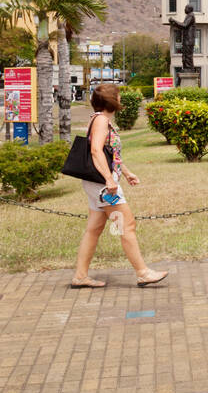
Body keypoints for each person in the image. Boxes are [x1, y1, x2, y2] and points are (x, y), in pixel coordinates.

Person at [71, 83, 168, 289]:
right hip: (103, 187)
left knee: (94, 228)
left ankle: (80, 276)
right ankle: (143, 272)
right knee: (126, 225)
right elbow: (97, 152)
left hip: (97, 186)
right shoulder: (101, 122)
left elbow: (110, 153)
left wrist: (126, 172)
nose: (121, 99)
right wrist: (109, 179)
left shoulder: (99, 120)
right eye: (118, 96)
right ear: (112, 100)